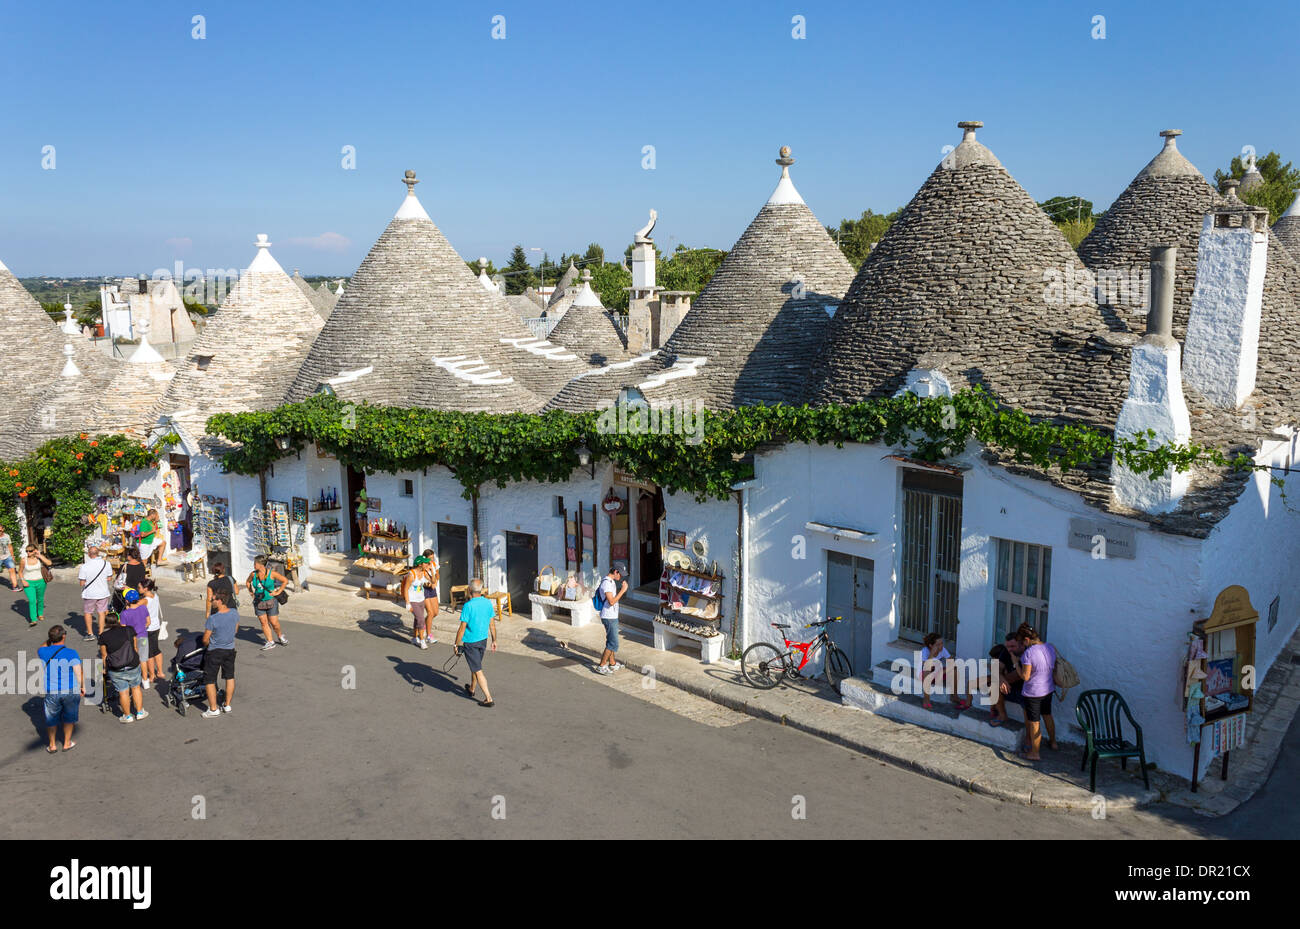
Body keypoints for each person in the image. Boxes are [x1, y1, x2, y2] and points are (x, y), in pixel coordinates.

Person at [1015, 622, 1059, 760]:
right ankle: (1053, 743)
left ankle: (1035, 753)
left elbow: (1025, 676)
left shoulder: (1028, 653)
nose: (1023, 645)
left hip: (1033, 692)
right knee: (1047, 715)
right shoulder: (1049, 647)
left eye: (1022, 642)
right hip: (1048, 688)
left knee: (1034, 722)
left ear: (1027, 640)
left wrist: (1016, 664)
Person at [39, 624, 85, 752]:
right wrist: (82, 687)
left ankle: (52, 744)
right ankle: (66, 742)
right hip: (70, 689)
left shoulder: (43, 652)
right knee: (69, 718)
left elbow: (43, 645)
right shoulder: (71, 653)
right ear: (64, 636)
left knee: (51, 719)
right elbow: (78, 672)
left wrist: (50, 639)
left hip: (52, 691)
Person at [455, 578, 497, 707]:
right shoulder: (487, 603)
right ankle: (472, 689)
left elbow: (462, 628)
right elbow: (492, 624)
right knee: (476, 665)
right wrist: (494, 640)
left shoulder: (468, 605)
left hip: (471, 642)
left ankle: (488, 698)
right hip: (483, 640)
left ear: (469, 590)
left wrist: (456, 644)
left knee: (478, 670)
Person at [99, 613, 147, 723]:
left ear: (106, 623)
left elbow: (104, 655)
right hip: (132, 663)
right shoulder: (129, 630)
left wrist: (105, 668)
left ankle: (127, 716)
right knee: (136, 688)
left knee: (123, 692)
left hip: (116, 668)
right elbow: (135, 647)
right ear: (118, 620)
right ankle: (140, 712)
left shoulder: (103, 636)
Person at [201, 587, 239, 717]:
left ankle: (213, 709)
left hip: (215, 651)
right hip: (230, 649)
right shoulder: (234, 612)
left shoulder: (213, 619)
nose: (211, 602)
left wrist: (209, 642)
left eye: (213, 600)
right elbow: (235, 629)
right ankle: (227, 705)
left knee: (210, 680)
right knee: (230, 676)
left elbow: (205, 639)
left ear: (220, 601)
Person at [917, 632, 971, 711]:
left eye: (942, 643)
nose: (941, 646)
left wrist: (944, 671)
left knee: (954, 670)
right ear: (931, 646)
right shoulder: (924, 651)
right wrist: (932, 654)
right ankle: (926, 699)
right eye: (938, 644)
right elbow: (926, 666)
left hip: (937, 674)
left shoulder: (943, 650)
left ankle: (954, 696)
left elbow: (952, 664)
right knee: (927, 671)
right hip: (924, 675)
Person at [246, 557, 289, 649]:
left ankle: (280, 636)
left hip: (271, 601)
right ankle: (270, 641)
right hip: (258, 601)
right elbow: (248, 582)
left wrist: (278, 592)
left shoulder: (271, 574)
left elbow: (285, 581)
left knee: (274, 623)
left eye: (255, 563)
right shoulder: (253, 574)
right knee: (263, 622)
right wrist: (251, 592)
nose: (254, 565)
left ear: (260, 564)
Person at [594, 562, 628, 675]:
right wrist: (623, 590)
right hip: (608, 617)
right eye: (620, 574)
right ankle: (602, 665)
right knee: (613, 643)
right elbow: (611, 601)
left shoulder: (611, 582)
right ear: (615, 572)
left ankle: (612, 663)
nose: (621, 576)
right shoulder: (606, 584)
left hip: (612, 616)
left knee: (611, 640)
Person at [986, 633, 1024, 727]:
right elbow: (995, 667)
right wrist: (1001, 679)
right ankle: (1002, 716)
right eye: (1007, 646)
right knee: (992, 686)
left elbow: (1017, 676)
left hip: (1025, 690)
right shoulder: (1007, 651)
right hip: (1009, 686)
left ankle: (1028, 736)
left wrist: (1000, 679)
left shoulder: (1027, 654)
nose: (1009, 649)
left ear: (1021, 644)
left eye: (1012, 646)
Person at [118, 589, 153, 689]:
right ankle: (145, 681)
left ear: (127, 601)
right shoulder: (143, 608)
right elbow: (148, 622)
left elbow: (123, 628)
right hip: (143, 636)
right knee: (143, 659)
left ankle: (133, 680)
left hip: (131, 638)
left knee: (131, 659)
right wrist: (142, 627)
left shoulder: (124, 614)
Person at [78, 543, 112, 642]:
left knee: (88, 612)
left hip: (90, 593)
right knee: (102, 613)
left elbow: (82, 583)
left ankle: (90, 633)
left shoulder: (84, 566)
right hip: (103, 592)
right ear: (98, 553)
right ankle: (101, 633)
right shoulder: (107, 564)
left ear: (89, 554)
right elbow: (109, 578)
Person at [402, 556, 437, 649]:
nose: (427, 564)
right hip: (413, 600)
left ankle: (414, 638)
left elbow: (433, 581)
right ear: (420, 564)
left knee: (417, 619)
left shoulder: (424, 572)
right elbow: (406, 589)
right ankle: (422, 641)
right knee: (421, 620)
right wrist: (407, 603)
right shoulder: (412, 574)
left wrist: (432, 571)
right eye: (425, 563)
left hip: (421, 599)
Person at [17, 543, 52, 626]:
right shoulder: (23, 560)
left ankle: (40, 614)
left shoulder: (39, 558)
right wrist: (23, 581)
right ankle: (33, 619)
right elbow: (20, 572)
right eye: (27, 551)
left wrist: (40, 555)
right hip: (29, 583)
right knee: (32, 600)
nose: (28, 553)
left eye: (30, 551)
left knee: (40, 599)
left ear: (34, 551)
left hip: (41, 581)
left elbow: (49, 563)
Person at [140, 579, 165, 689]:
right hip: (156, 625)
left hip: (148, 627)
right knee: (156, 650)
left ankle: (152, 675)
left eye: (139, 587)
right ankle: (160, 671)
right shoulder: (155, 595)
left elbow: (134, 606)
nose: (138, 589)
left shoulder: (145, 600)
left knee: (149, 653)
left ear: (145, 589)